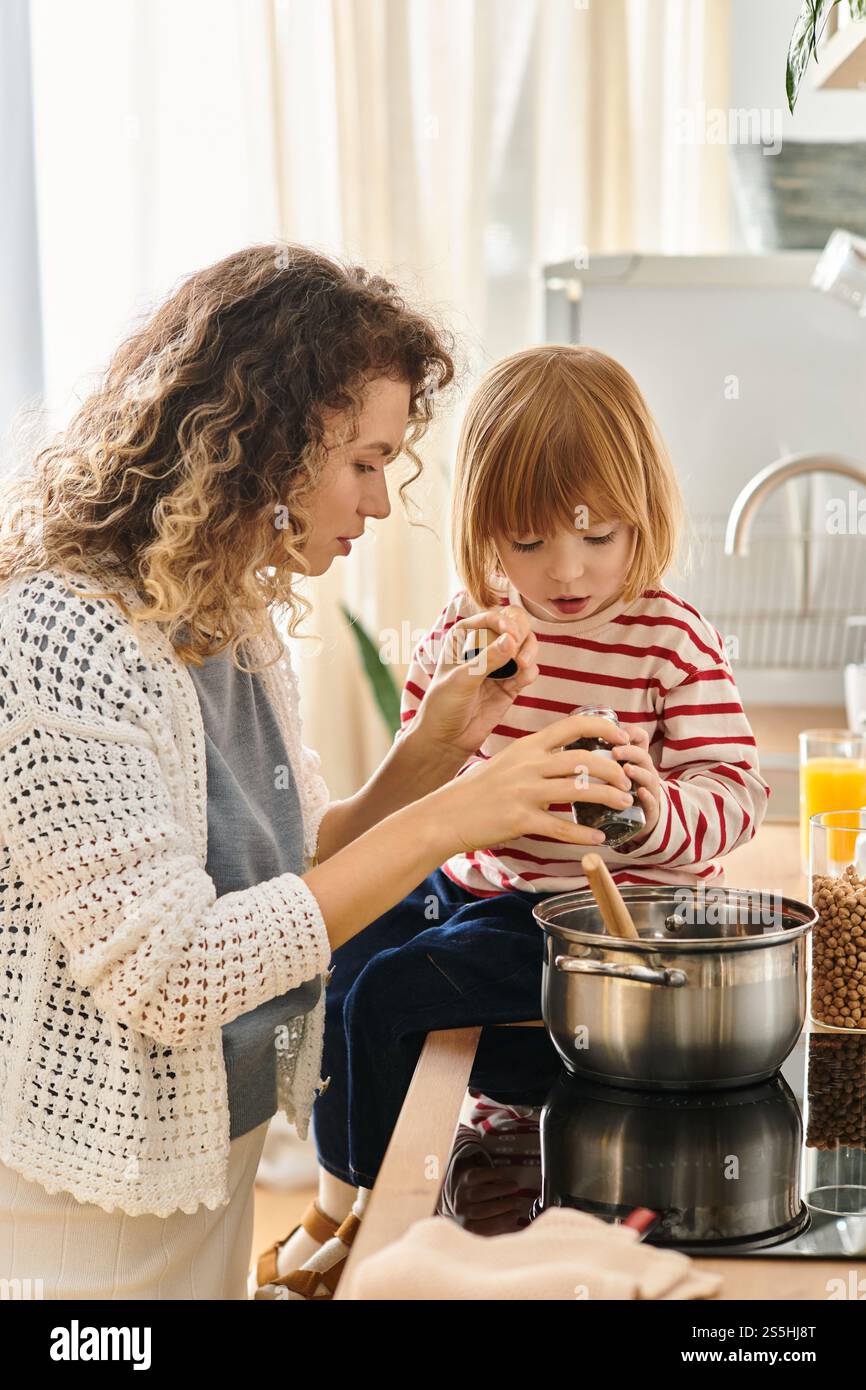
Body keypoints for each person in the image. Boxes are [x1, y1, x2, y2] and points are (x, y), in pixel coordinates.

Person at [0, 247, 609, 1300]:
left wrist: (433, 755)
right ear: (266, 440)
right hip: (82, 1200)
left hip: (201, 1154)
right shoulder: (60, 638)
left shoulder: (227, 615)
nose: (378, 502)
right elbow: (177, 969)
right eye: (364, 460)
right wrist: (457, 813)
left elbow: (287, 865)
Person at [282, 344, 771, 1296]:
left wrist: (650, 811)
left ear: (645, 518)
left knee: (391, 997)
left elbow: (740, 793)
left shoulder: (668, 637)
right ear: (486, 535)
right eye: (531, 540)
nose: (568, 572)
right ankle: (343, 1193)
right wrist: (458, 727)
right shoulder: (476, 626)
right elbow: (426, 778)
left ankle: (382, 1228)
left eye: (599, 537)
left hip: (601, 926)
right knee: (336, 952)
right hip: (479, 886)